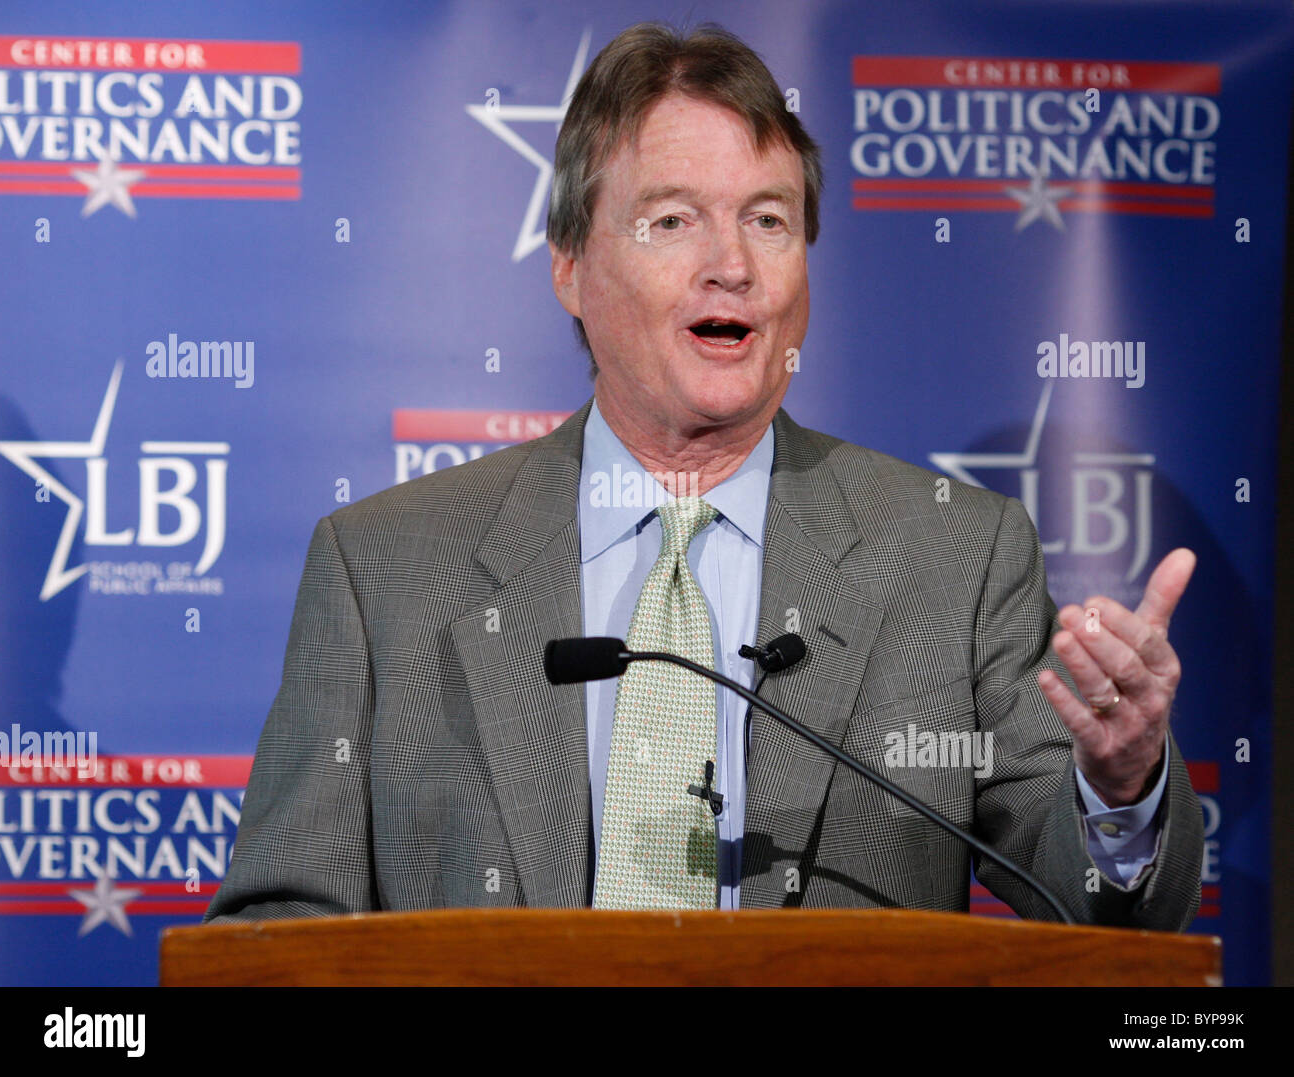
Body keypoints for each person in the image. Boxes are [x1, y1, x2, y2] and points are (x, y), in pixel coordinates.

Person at [205, 22, 1202, 927]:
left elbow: (1094, 911)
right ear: (568, 266)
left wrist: (1119, 790)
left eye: (767, 221)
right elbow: (278, 929)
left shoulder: (955, 556)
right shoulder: (383, 569)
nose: (732, 263)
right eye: (672, 221)